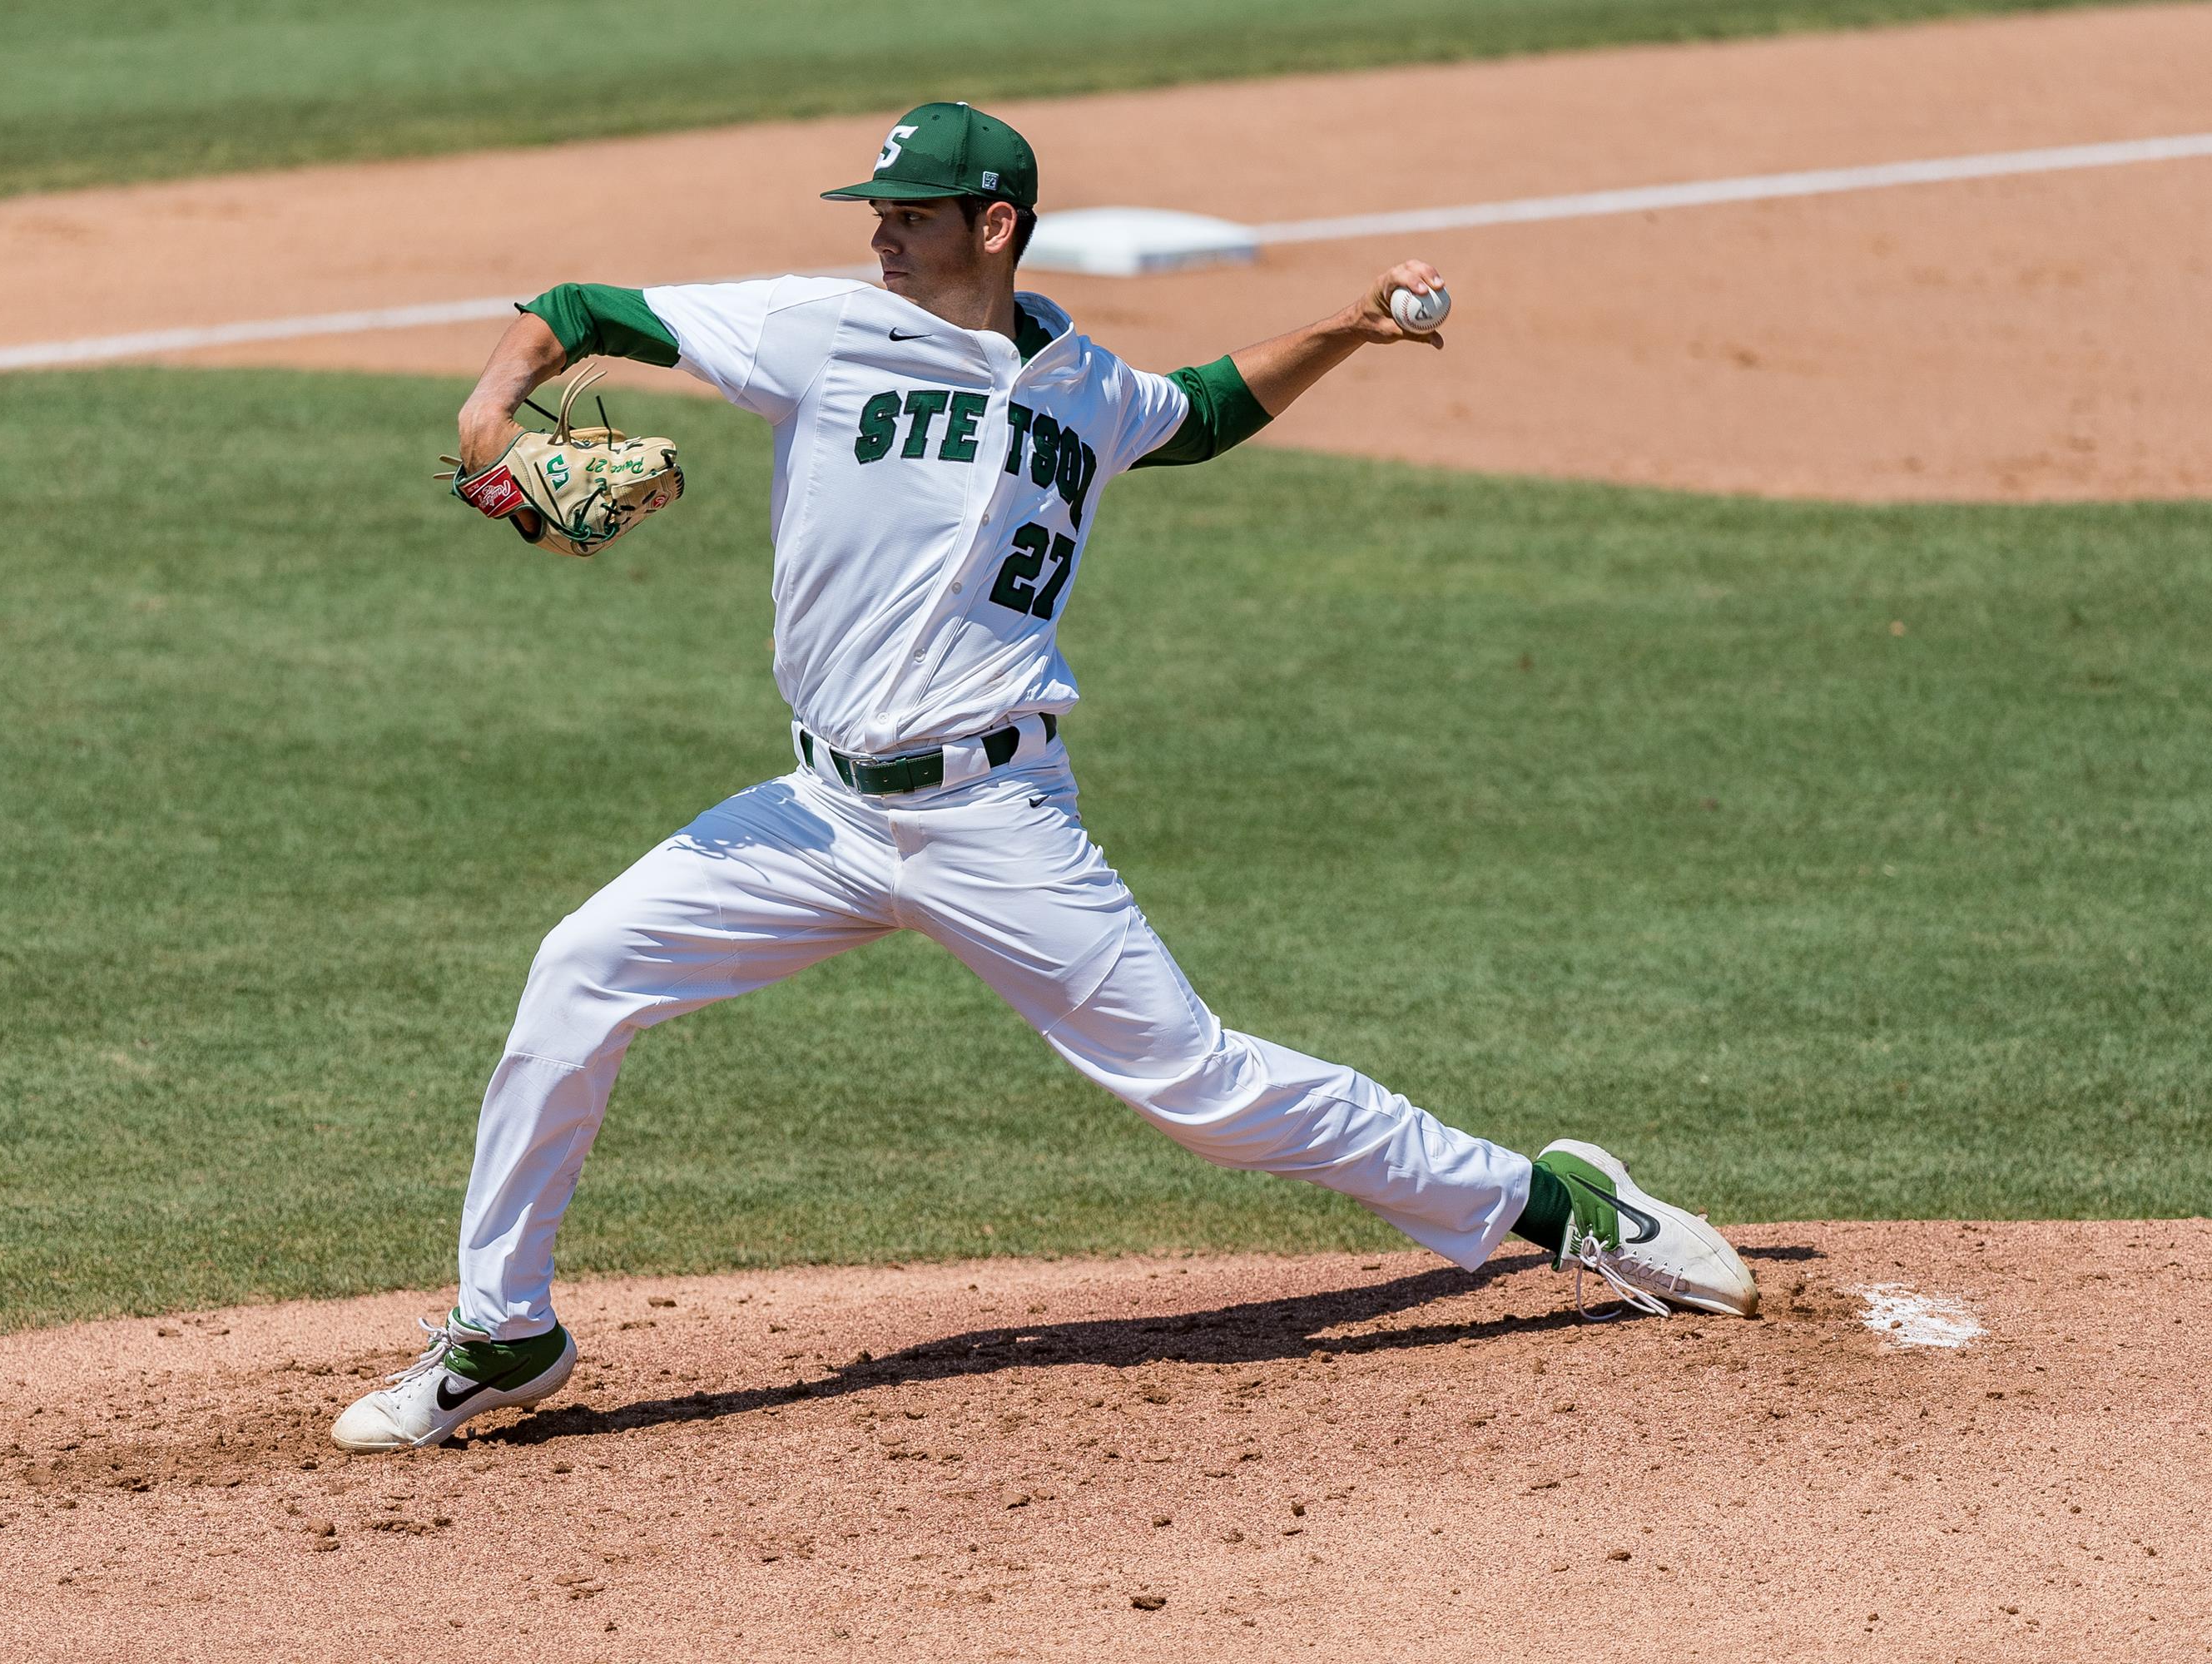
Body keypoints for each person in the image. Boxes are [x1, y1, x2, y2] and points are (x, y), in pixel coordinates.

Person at [332, 102, 1754, 1453]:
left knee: (1197, 1089)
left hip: (995, 818)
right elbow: (580, 313)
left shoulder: (1084, 380)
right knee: (580, 973)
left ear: (995, 225)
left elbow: (1193, 413)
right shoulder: (816, 330)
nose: (880, 230)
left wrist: (1345, 328)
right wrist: (488, 415)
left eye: (910, 210)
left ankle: (1558, 1204)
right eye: (875, 207)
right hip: (816, 814)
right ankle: (503, 1332)